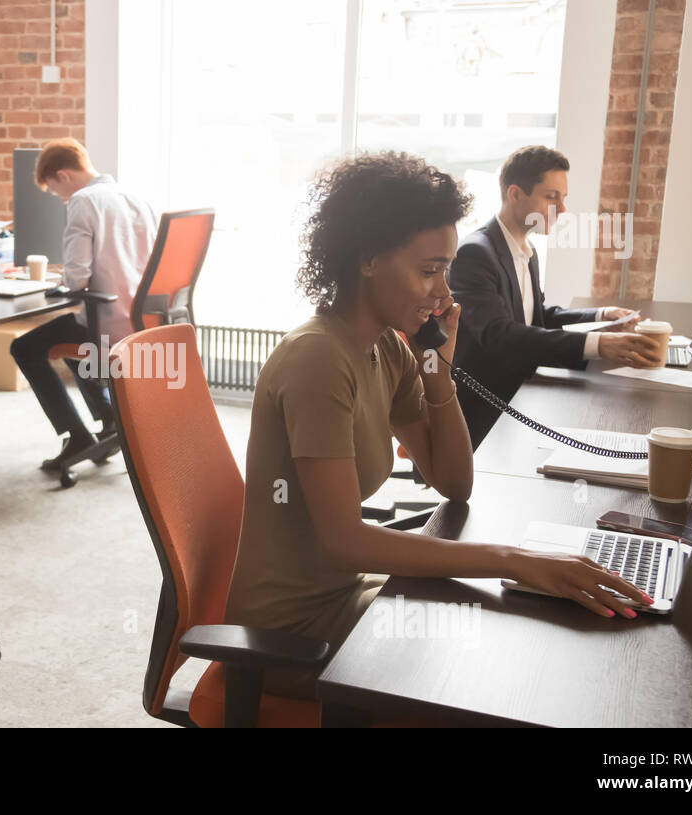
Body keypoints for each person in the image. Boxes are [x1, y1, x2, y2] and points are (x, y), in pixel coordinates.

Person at [225, 153, 650, 701]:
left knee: (511, 624)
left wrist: (438, 363)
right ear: (367, 259)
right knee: (493, 663)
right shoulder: (318, 359)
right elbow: (346, 541)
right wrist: (512, 559)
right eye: (428, 270)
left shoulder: (385, 346)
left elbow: (454, 482)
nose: (443, 291)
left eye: (445, 269)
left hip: (347, 595)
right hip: (291, 633)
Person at [448, 146, 663, 448]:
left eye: (563, 198)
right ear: (515, 194)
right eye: (551, 197)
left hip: (522, 393)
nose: (561, 209)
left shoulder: (525, 249)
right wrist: (600, 346)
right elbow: (500, 335)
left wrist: (601, 317)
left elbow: (536, 317)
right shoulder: (475, 253)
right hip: (486, 410)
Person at [9, 138, 157, 469]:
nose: (61, 199)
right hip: (146, 325)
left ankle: (75, 435)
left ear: (63, 175)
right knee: (71, 335)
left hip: (110, 324)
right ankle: (108, 418)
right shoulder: (138, 199)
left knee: (24, 348)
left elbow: (77, 279)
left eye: (56, 190)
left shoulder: (83, 201)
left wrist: (60, 283)